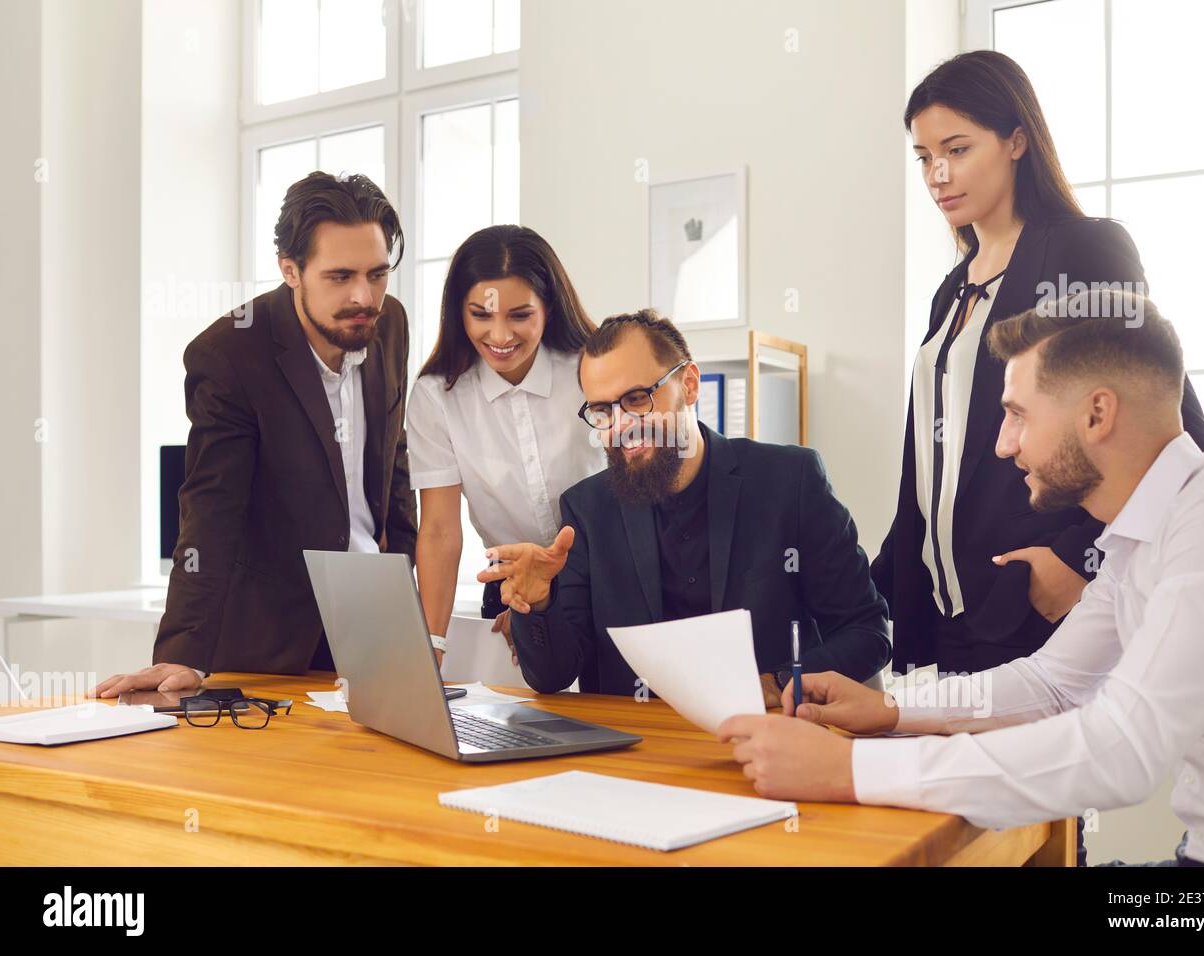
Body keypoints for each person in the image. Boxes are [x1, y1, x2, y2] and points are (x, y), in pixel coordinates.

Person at [718, 290, 1204, 867]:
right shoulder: (1142, 532)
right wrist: (892, 711)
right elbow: (1054, 686)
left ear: (1097, 414)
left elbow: (1124, 750)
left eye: (1018, 414)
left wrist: (847, 769)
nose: (1003, 444)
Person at [874, 50, 1204, 685]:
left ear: (1016, 141)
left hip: (1031, 600)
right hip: (940, 610)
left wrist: (1079, 558)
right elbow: (933, 464)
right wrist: (874, 586)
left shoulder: (1082, 250)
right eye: (924, 158)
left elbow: (1174, 431)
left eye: (958, 149)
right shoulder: (952, 290)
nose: (938, 174)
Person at [91, 172, 416, 696]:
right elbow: (211, 505)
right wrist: (182, 650)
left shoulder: (389, 324)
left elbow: (394, 458)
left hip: (372, 621)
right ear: (291, 270)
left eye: (377, 274)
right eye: (339, 277)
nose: (364, 296)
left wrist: (406, 584)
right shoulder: (230, 354)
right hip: (270, 634)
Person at [478, 310, 891, 703]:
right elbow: (553, 676)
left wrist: (779, 682)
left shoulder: (789, 480)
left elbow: (868, 631)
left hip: (769, 737)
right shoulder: (587, 511)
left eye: (637, 399)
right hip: (636, 751)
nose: (620, 425)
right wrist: (540, 603)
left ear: (689, 384)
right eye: (602, 410)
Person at [407, 225, 603, 662]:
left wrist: (549, 594)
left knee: (623, 719)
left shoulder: (589, 371)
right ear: (458, 311)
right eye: (481, 314)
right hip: (511, 590)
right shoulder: (436, 395)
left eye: (520, 315)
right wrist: (431, 648)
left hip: (609, 578)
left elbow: (637, 494)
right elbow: (439, 530)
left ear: (548, 308)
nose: (499, 336)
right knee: (518, 721)